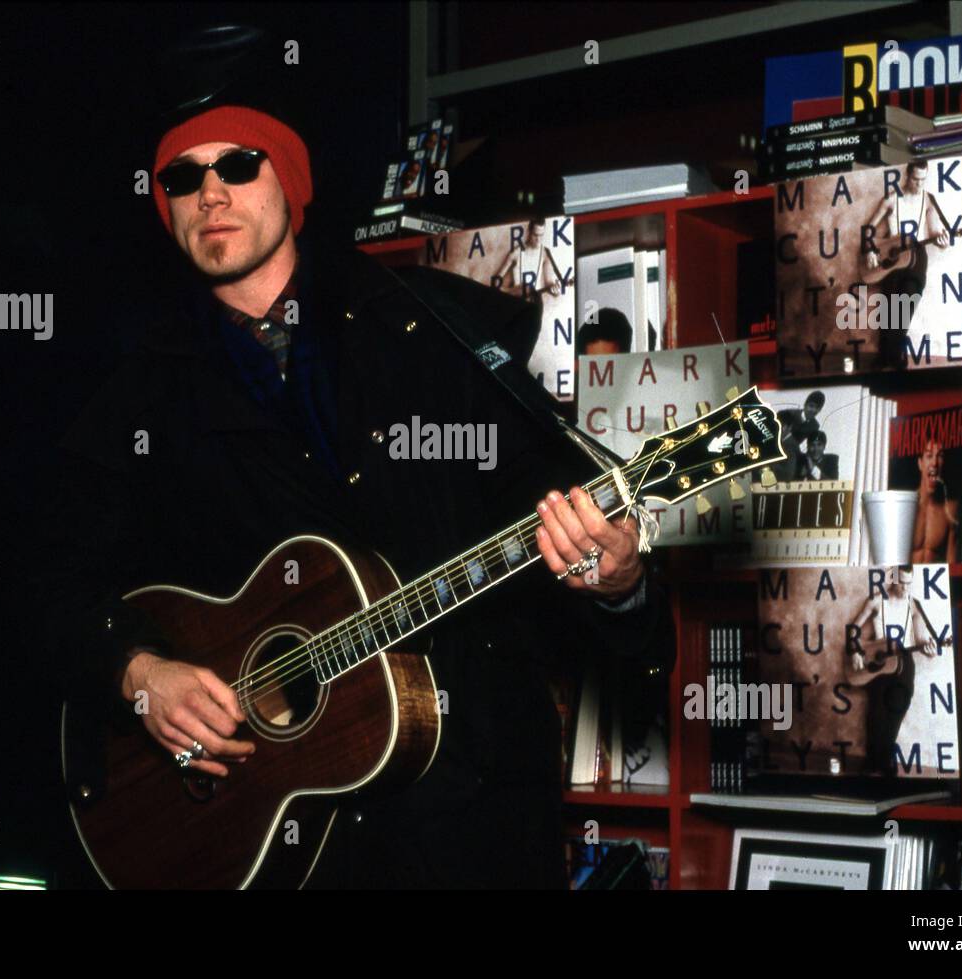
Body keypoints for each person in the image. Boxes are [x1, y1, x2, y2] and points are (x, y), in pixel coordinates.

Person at [40, 35, 673, 890]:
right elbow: (54, 585)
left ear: (291, 182)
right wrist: (140, 671)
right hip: (279, 848)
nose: (211, 192)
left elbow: (563, 521)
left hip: (469, 832)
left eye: (238, 162)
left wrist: (617, 578)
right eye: (181, 178)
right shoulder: (137, 395)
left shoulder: (438, 328)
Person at [846, 566, 938, 775]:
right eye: (902, 582)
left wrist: (930, 650)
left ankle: (884, 764)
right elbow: (853, 628)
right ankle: (872, 765)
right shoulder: (876, 600)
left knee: (895, 714)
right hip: (879, 662)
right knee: (876, 715)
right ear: (893, 579)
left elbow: (922, 639)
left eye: (909, 582)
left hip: (904, 663)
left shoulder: (914, 605)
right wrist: (855, 651)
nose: (906, 587)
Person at [861, 160, 951, 369]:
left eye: (923, 180)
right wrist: (870, 249)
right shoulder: (891, 199)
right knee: (889, 307)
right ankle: (887, 357)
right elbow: (869, 228)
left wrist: (942, 241)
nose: (919, 184)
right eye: (915, 179)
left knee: (906, 303)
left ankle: (893, 356)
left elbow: (936, 230)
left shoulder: (928, 200)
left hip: (917, 255)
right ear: (907, 176)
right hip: (893, 256)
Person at [910, 438, 960, 563]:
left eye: (940, 456)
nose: (934, 463)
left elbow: (951, 565)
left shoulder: (950, 510)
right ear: (920, 463)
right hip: (905, 582)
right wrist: (895, 583)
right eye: (929, 456)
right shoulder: (906, 507)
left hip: (935, 582)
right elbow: (892, 561)